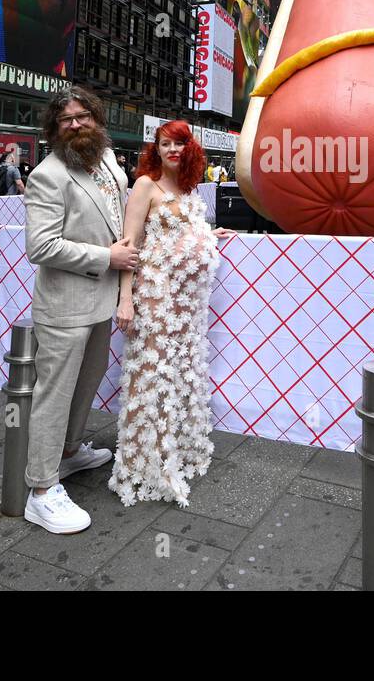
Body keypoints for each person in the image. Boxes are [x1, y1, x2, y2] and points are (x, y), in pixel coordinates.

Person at [21, 87, 138, 534]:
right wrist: (107, 258)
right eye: (65, 119)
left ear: (96, 119)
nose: (75, 124)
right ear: (54, 129)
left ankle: (69, 453)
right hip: (65, 307)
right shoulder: (48, 175)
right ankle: (41, 489)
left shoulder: (107, 161)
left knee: (87, 384)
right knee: (53, 395)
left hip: (100, 303)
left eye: (82, 115)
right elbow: (41, 246)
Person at [109, 121, 235, 507]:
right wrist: (125, 299)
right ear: (156, 149)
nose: (173, 150)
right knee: (150, 374)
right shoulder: (146, 186)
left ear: (189, 149)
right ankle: (140, 462)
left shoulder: (187, 187)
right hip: (156, 297)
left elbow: (180, 232)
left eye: (180, 143)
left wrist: (205, 237)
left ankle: (174, 449)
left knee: (178, 373)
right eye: (166, 144)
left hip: (187, 304)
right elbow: (129, 246)